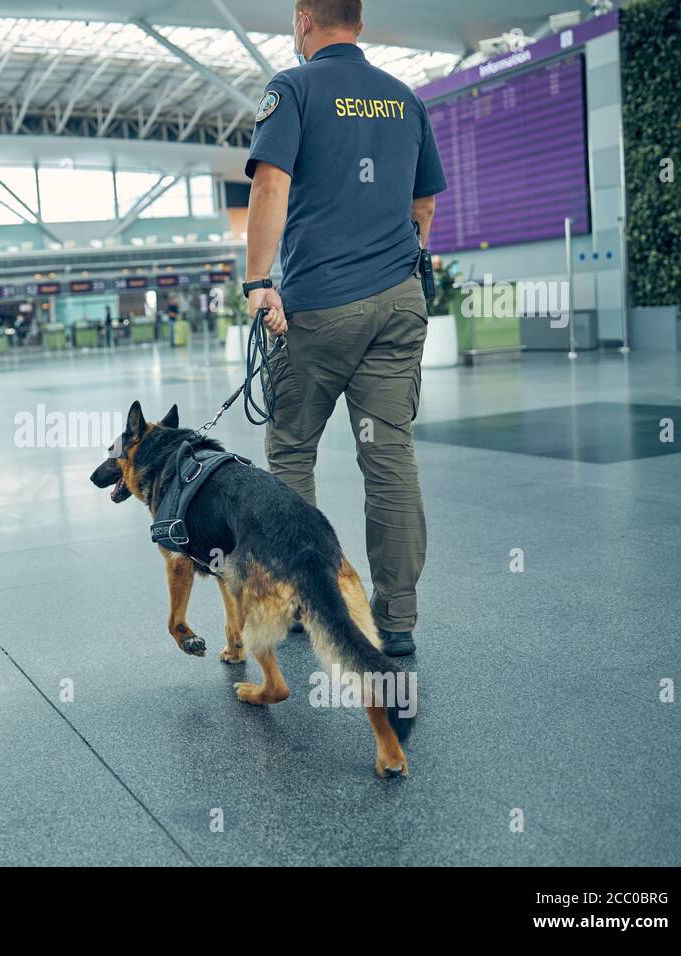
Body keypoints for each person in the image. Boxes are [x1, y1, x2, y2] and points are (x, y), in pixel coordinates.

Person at [242, 0, 446, 657]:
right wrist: (398, 268)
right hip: (397, 303)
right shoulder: (403, 99)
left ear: (305, 19)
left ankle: (309, 598)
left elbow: (271, 185)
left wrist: (258, 281)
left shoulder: (293, 88)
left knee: (292, 450)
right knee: (389, 458)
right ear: (358, 21)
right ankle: (399, 618)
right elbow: (424, 203)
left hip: (320, 308)